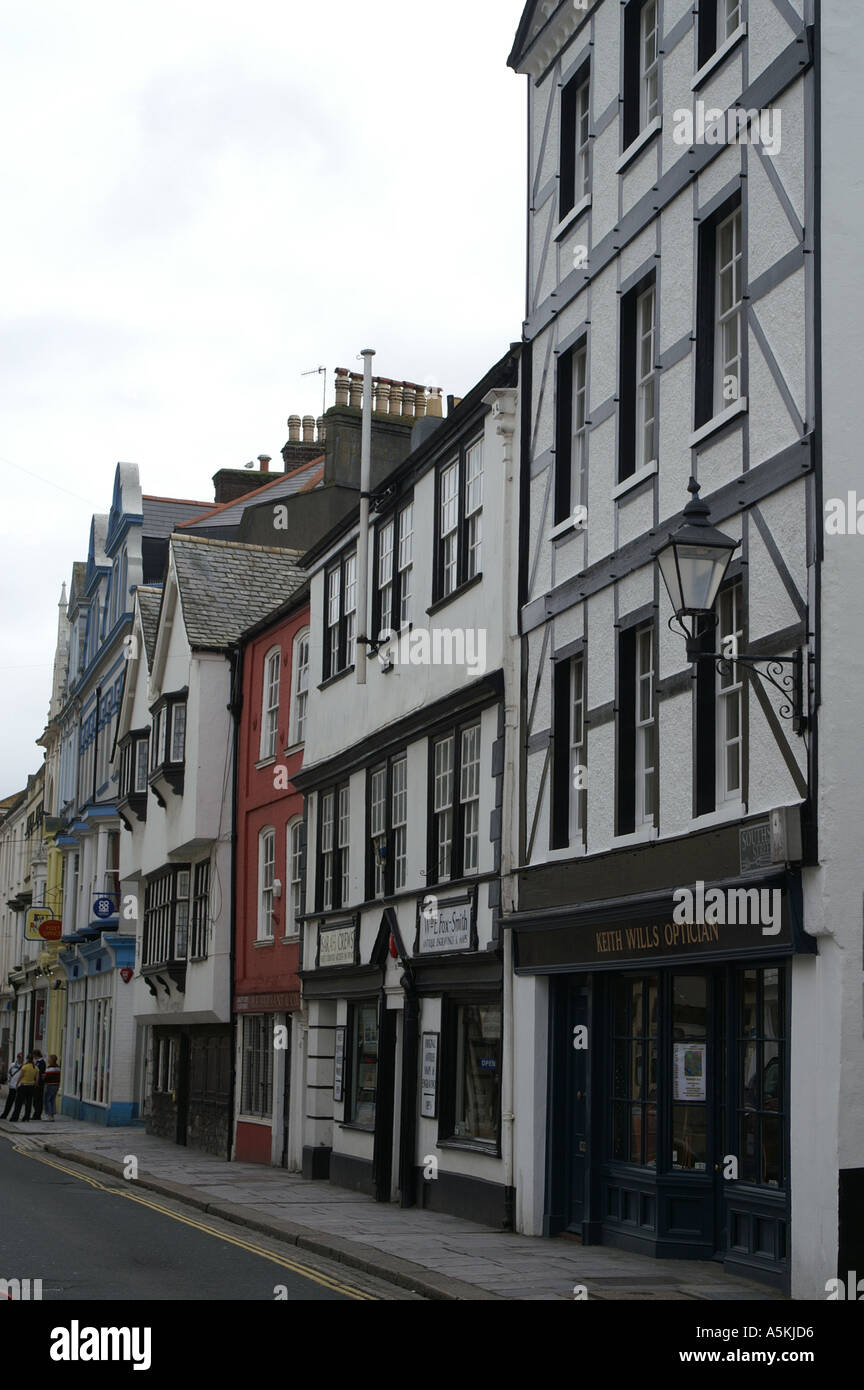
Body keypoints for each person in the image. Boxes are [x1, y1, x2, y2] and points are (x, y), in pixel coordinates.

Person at [10, 1056, 38, 1122]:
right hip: (31, 1087)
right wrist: (35, 1085)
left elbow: (21, 1076)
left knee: (19, 1103)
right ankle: (26, 1117)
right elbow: (37, 1079)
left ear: (27, 1059)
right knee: (29, 1102)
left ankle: (15, 1117)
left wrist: (17, 1084)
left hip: (23, 1086)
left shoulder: (24, 1067)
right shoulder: (36, 1068)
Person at [1, 1054, 23, 1119]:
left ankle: (15, 1115)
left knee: (18, 1102)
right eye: (18, 1057)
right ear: (17, 1058)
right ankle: (5, 1114)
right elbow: (9, 1073)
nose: (19, 1059)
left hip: (19, 1086)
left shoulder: (23, 1066)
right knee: (9, 1101)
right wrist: (9, 1081)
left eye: (21, 1058)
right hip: (12, 1085)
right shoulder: (12, 1065)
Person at [42, 1055, 61, 1121]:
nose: (48, 1060)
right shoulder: (58, 1067)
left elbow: (47, 1077)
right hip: (56, 1085)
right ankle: (52, 1115)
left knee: (47, 1100)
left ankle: (49, 1115)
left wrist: (44, 1077)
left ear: (52, 1060)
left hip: (50, 1085)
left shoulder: (50, 1068)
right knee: (52, 1100)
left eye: (49, 1059)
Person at [31, 1050, 46, 1120]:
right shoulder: (37, 1062)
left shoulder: (41, 1063)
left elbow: (40, 1073)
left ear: (36, 1055)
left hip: (39, 1084)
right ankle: (36, 1114)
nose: (33, 1057)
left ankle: (37, 1115)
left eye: (33, 1055)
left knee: (38, 1099)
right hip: (36, 1083)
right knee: (35, 1100)